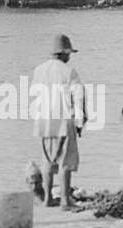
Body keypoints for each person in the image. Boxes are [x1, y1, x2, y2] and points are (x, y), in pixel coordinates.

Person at [30, 33, 85, 210]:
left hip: (44, 121)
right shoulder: (69, 71)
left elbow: (34, 96)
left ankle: (47, 200)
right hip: (63, 119)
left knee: (48, 160)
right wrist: (79, 121)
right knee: (65, 161)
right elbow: (78, 97)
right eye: (69, 53)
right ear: (64, 53)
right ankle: (65, 201)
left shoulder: (38, 70)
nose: (70, 56)